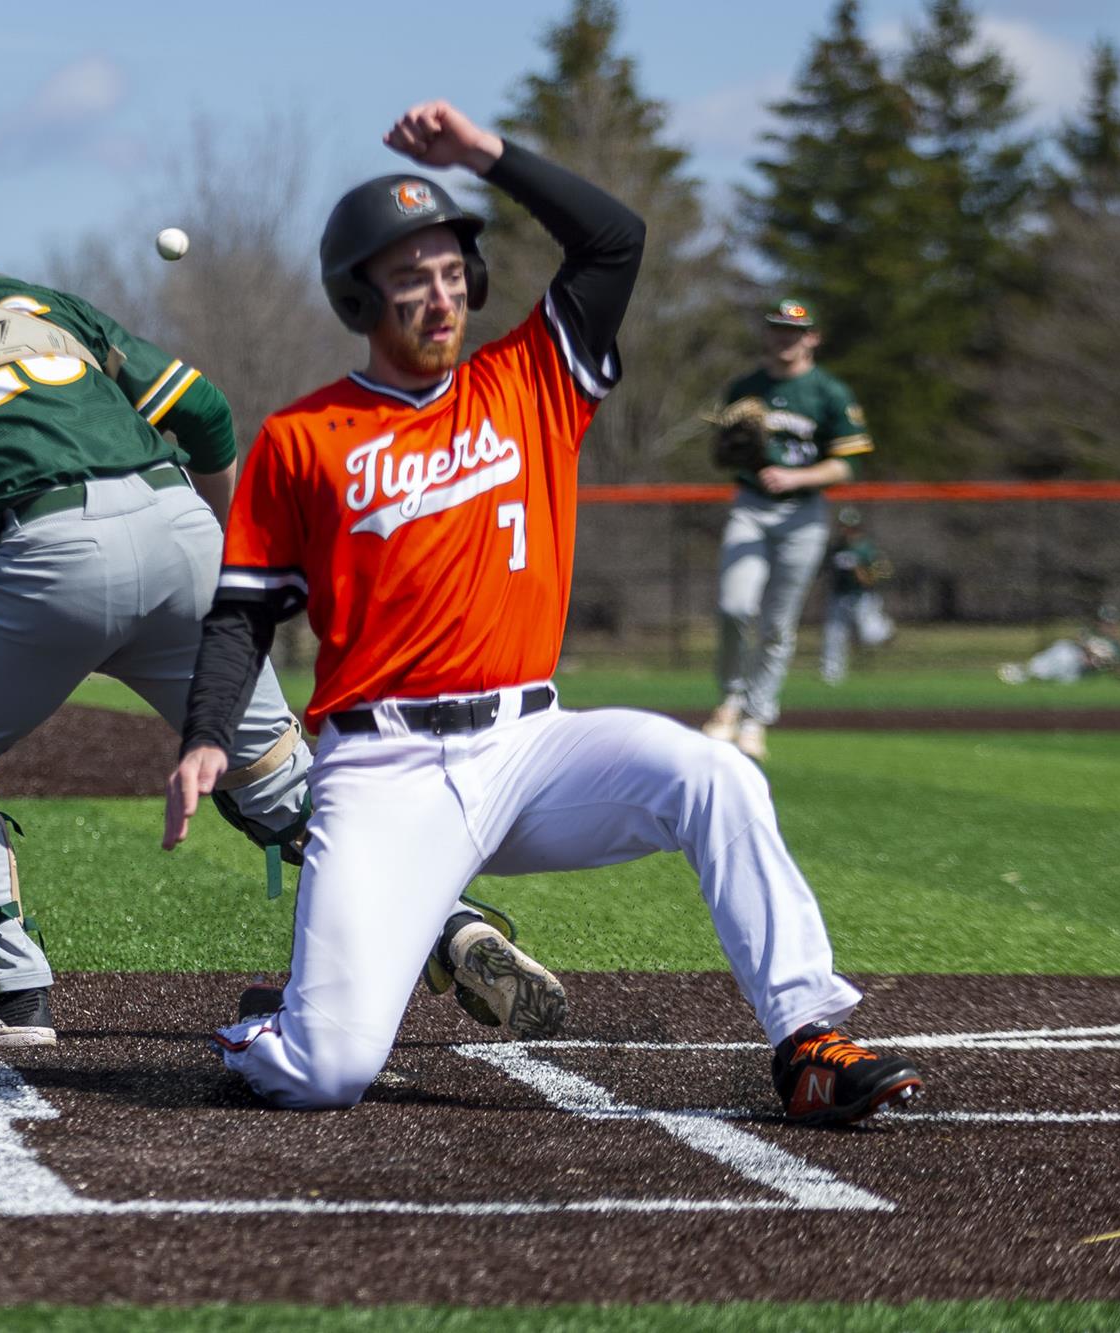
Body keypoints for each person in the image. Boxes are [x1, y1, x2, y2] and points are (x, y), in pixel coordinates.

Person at [163, 100, 923, 1126]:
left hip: (531, 744)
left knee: (716, 775)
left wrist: (483, 155)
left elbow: (614, 241)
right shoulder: (305, 437)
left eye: (451, 272)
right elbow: (242, 611)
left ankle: (806, 1039)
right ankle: (277, 1026)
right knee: (326, 1072)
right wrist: (207, 733)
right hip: (383, 771)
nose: (439, 296)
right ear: (358, 298)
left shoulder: (531, 379)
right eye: (409, 278)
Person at [0, 143, 562, 1048]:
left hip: (48, 553)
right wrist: (222, 556)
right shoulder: (39, 303)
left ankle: (9, 997)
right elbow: (204, 413)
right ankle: (451, 921)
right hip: (181, 527)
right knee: (280, 783)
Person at [701, 298, 875, 761]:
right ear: (766, 333)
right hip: (751, 508)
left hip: (803, 515)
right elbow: (724, 452)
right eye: (778, 328)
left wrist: (797, 477)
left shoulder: (828, 392)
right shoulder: (746, 388)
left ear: (812, 337)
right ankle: (729, 700)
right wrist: (730, 448)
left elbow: (848, 465)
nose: (785, 337)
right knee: (734, 606)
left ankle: (756, 716)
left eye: (795, 331)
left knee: (777, 624)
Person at [819, 506, 894, 685]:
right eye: (843, 526)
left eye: (849, 526)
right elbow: (823, 569)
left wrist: (859, 569)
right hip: (839, 595)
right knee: (834, 634)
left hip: (862, 597)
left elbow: (881, 573)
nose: (845, 530)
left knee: (869, 635)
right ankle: (831, 674)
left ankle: (886, 630)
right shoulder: (836, 548)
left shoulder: (866, 548)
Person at [998, 605, 1120, 684]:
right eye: (1104, 622)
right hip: (1071, 654)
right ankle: (1020, 673)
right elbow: (1081, 643)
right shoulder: (1091, 632)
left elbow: (1118, 667)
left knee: (1055, 676)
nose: (1107, 626)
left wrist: (1105, 663)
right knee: (1053, 657)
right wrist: (1090, 654)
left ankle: (1024, 675)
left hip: (1079, 670)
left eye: (1110, 623)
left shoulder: (1117, 646)